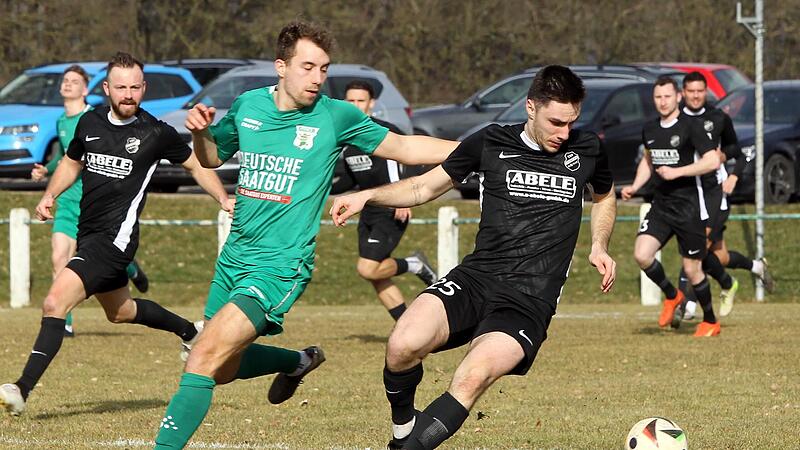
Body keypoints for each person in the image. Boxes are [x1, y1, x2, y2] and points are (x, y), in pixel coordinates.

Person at [153, 21, 458, 449]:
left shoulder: (336, 115)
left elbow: (405, 149)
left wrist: (476, 147)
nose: (317, 78)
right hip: (233, 259)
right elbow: (210, 158)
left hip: (280, 267)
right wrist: (200, 133)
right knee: (220, 367)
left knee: (201, 358)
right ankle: (298, 360)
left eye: (324, 69)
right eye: (308, 67)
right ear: (281, 67)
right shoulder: (248, 106)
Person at [331, 64, 617, 450]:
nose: (564, 134)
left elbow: (604, 196)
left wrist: (600, 244)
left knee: (471, 376)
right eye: (555, 123)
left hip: (529, 298)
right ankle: (403, 430)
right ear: (531, 107)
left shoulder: (588, 149)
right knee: (402, 344)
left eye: (571, 123)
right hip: (476, 279)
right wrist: (368, 195)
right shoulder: (490, 142)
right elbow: (421, 187)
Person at [0, 52, 234, 417]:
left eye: (134, 87)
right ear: (107, 88)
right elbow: (71, 161)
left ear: (144, 88)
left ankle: (22, 388)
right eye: (121, 87)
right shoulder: (90, 122)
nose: (128, 94)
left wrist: (222, 196)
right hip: (89, 232)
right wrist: (50, 195)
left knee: (53, 303)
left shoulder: (155, 132)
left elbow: (194, 163)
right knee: (121, 312)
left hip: (115, 241)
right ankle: (190, 332)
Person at [30, 64, 150, 338]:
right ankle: (66, 322)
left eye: (74, 81)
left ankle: (129, 267)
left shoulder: (95, 118)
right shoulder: (62, 121)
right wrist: (45, 170)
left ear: (85, 89)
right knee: (59, 257)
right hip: (67, 205)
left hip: (92, 207)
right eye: (65, 80)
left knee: (97, 261)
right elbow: (67, 157)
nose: (67, 85)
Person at [330, 79, 437, 321]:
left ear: (371, 103)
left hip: (391, 208)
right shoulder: (347, 139)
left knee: (367, 267)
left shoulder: (382, 132)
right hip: (367, 210)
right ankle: (405, 324)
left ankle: (415, 265)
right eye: (350, 100)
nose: (355, 105)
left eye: (361, 100)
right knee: (374, 274)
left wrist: (402, 201)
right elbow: (348, 180)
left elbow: (409, 162)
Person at [621, 76, 720, 336]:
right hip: (662, 205)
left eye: (667, 96)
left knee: (692, 269)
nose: (662, 102)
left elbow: (712, 161)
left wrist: (679, 172)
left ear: (678, 97)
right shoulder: (650, 129)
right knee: (642, 254)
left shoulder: (692, 126)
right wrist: (635, 185)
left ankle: (710, 320)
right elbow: (648, 160)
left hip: (689, 207)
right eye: (658, 97)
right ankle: (672, 295)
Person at [677, 71, 774, 320]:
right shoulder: (674, 117)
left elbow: (736, 151)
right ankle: (755, 267)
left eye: (701, 91)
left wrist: (732, 175)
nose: (696, 96)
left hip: (714, 193)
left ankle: (686, 303)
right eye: (691, 91)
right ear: (683, 92)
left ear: (706, 91)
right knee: (718, 256)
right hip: (687, 195)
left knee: (696, 247)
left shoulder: (717, 117)